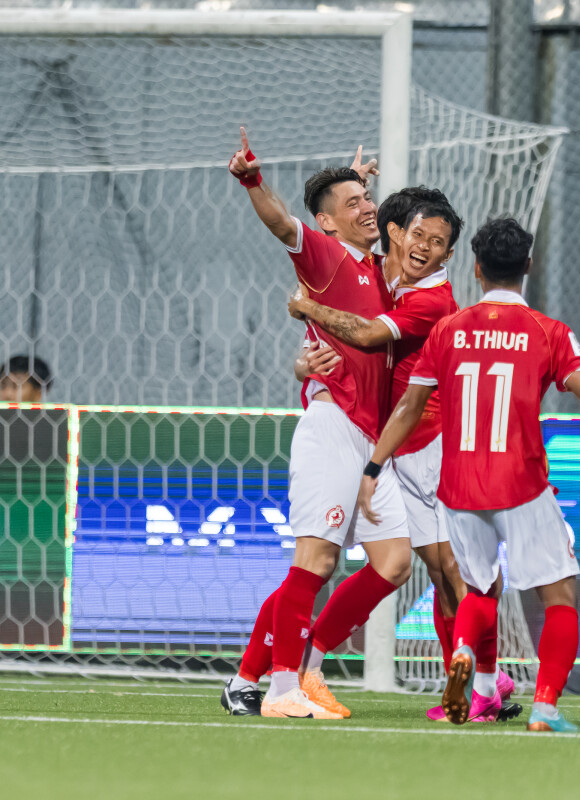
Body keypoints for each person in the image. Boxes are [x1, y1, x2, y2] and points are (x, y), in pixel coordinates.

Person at [356, 218, 580, 732]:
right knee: (559, 595)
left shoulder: (448, 330)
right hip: (520, 483)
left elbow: (410, 408)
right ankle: (545, 709)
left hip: (458, 486)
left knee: (477, 591)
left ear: (475, 268)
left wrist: (373, 466)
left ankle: (463, 660)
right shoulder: (549, 332)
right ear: (528, 266)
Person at [289, 190, 518, 721]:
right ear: (397, 232)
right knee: (436, 573)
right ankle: (484, 676)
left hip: (435, 444)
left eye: (439, 244)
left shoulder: (431, 299)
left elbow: (369, 335)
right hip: (399, 448)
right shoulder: (385, 271)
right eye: (418, 235)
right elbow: (338, 245)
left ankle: (483, 678)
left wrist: (307, 308)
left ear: (450, 257)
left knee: (456, 571)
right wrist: (352, 186)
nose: (425, 248)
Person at [221, 131, 412, 720]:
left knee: (394, 561)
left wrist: (357, 188)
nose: (366, 208)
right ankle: (281, 688)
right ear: (327, 224)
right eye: (352, 204)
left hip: (370, 439)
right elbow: (283, 223)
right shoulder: (324, 258)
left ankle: (258, 676)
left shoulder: (379, 269)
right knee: (315, 561)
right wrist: (254, 181)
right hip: (333, 426)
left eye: (366, 199)